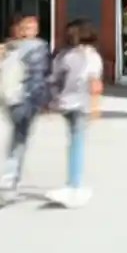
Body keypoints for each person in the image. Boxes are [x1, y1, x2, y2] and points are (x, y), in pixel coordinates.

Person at [0, 15, 52, 192]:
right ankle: (12, 175)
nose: (27, 31)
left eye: (30, 27)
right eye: (25, 27)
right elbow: (38, 76)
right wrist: (42, 100)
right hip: (25, 98)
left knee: (18, 134)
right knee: (21, 136)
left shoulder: (11, 47)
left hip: (10, 98)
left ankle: (11, 169)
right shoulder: (37, 48)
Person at [46, 19, 104, 208]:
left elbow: (53, 79)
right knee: (76, 143)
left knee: (74, 142)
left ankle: (74, 184)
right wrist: (95, 107)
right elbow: (94, 83)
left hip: (66, 104)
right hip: (81, 104)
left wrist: (52, 100)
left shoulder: (62, 55)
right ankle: (74, 185)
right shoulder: (91, 57)